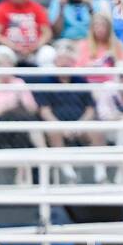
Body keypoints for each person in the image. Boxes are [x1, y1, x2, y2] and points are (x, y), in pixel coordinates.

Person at [35, 39, 106, 179]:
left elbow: (90, 109)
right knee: (53, 130)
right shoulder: (46, 81)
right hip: (58, 123)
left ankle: (100, 170)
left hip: (81, 122)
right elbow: (45, 111)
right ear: (55, 62)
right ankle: (66, 170)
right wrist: (61, 127)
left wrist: (81, 124)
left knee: (96, 130)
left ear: (73, 62)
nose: (64, 63)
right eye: (61, 59)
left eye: (68, 59)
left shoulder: (81, 80)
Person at [0, 44, 46, 160]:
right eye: (1, 65)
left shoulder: (19, 83)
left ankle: (42, 155)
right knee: (16, 117)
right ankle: (42, 153)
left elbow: (32, 109)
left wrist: (21, 98)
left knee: (23, 123)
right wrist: (5, 107)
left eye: (8, 64)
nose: (5, 68)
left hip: (20, 125)